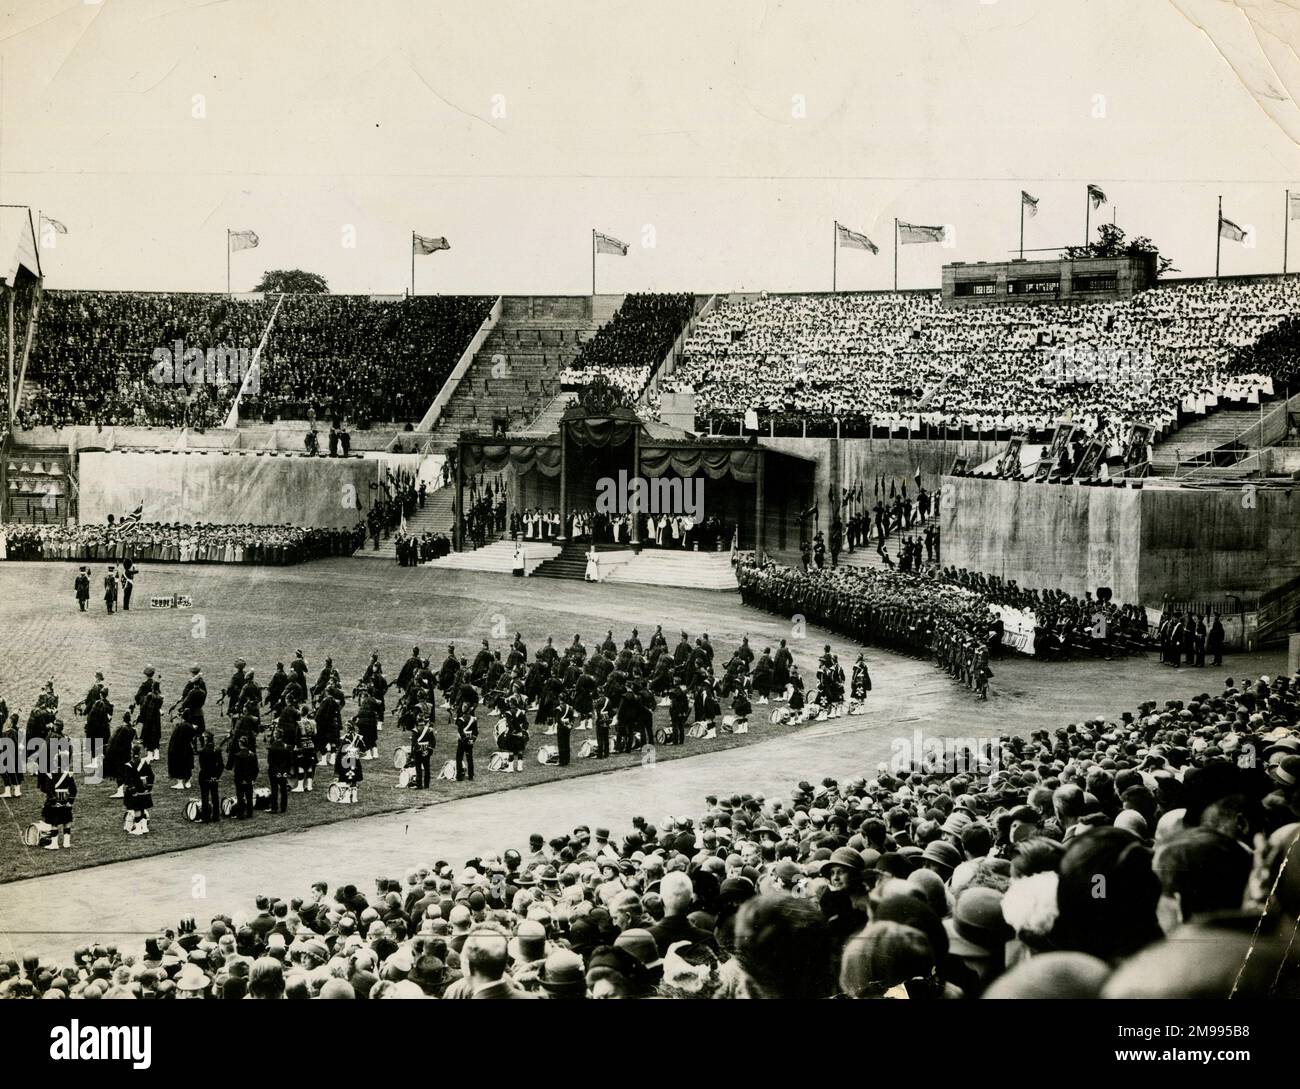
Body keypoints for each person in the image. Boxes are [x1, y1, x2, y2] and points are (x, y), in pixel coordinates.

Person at [38, 749, 77, 851]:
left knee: (54, 823)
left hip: (55, 802)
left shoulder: (51, 774)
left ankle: (54, 844)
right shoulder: (68, 774)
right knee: (66, 821)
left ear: (55, 762)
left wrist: (54, 801)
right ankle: (66, 843)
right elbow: (74, 790)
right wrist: (70, 801)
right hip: (65, 800)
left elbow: (48, 790)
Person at [122, 742, 154, 836]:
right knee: (143, 808)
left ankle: (138, 828)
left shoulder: (129, 765)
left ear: (131, 753)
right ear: (140, 753)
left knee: (136, 809)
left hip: (135, 789)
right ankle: (145, 827)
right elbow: (151, 776)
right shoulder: (145, 762)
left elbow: (128, 779)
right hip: (144, 788)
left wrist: (132, 790)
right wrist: (148, 786)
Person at [197, 732, 224, 823]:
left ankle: (206, 817)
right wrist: (216, 776)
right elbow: (221, 765)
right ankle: (216, 816)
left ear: (206, 739)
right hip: (214, 776)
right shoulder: (217, 749)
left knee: (205, 797)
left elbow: (202, 766)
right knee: (215, 796)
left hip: (204, 776)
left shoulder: (203, 751)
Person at [231, 734, 259, 819]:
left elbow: (237, 770)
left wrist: (238, 779)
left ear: (240, 744)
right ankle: (250, 813)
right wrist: (253, 779)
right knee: (249, 797)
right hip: (249, 779)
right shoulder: (252, 755)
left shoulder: (238, 755)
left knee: (240, 797)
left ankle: (241, 814)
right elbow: (256, 769)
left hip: (240, 780)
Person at [456, 706, 478, 782]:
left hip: (462, 740)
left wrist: (467, 739)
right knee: (469, 758)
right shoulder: (473, 719)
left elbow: (461, 731)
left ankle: (459, 776)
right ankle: (471, 776)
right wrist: (472, 740)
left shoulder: (460, 720)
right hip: (470, 740)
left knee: (459, 758)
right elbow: (475, 732)